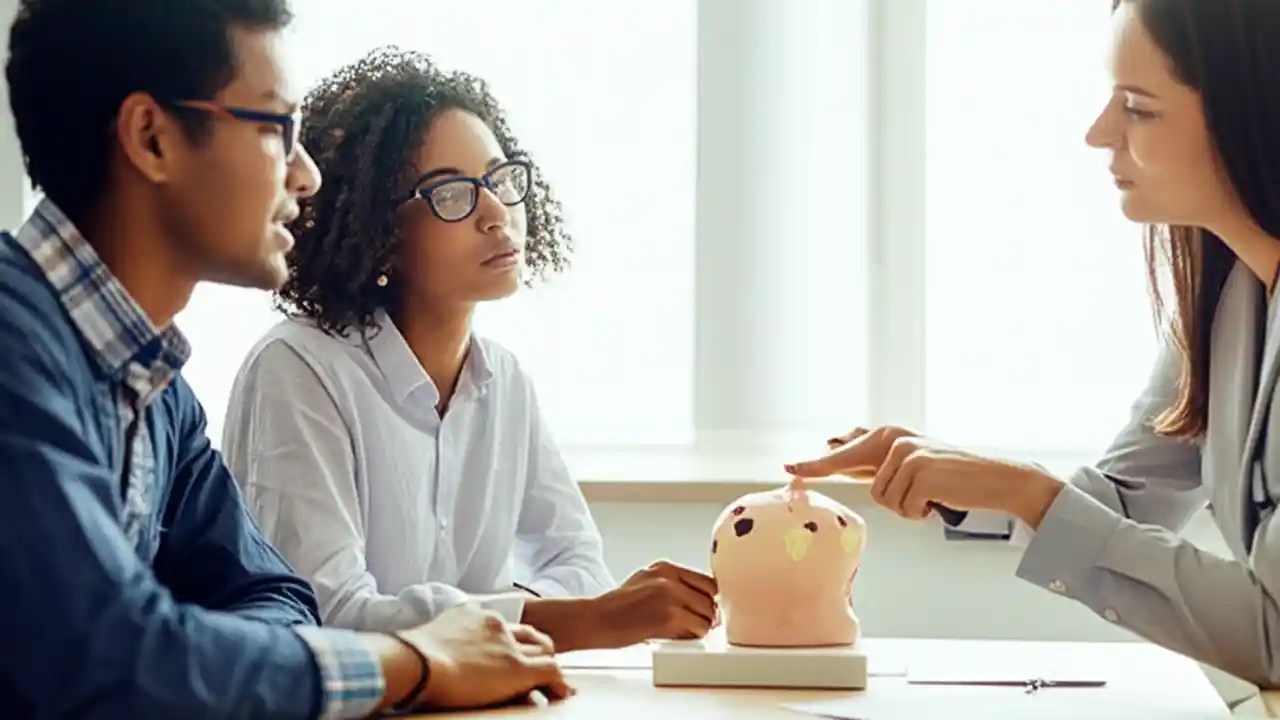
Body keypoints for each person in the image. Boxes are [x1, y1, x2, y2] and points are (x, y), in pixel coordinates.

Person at [0, 2, 572, 717]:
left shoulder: (158, 391)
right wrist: (415, 660)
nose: (307, 177)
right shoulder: (15, 351)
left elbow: (276, 598)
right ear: (152, 138)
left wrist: (195, 655)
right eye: (277, 129)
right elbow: (109, 655)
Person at [786, 0, 1280, 689]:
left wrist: (1028, 493)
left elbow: (1273, 631)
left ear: (1252, 113)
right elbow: (1126, 506)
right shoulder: (1227, 291)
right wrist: (959, 477)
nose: (1097, 133)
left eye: (1138, 108)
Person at [220, 47, 719, 652]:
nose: (496, 214)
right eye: (451, 194)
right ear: (378, 234)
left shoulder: (503, 381)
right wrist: (586, 620)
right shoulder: (300, 370)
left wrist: (533, 616)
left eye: (502, 180)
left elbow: (579, 565)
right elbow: (327, 613)